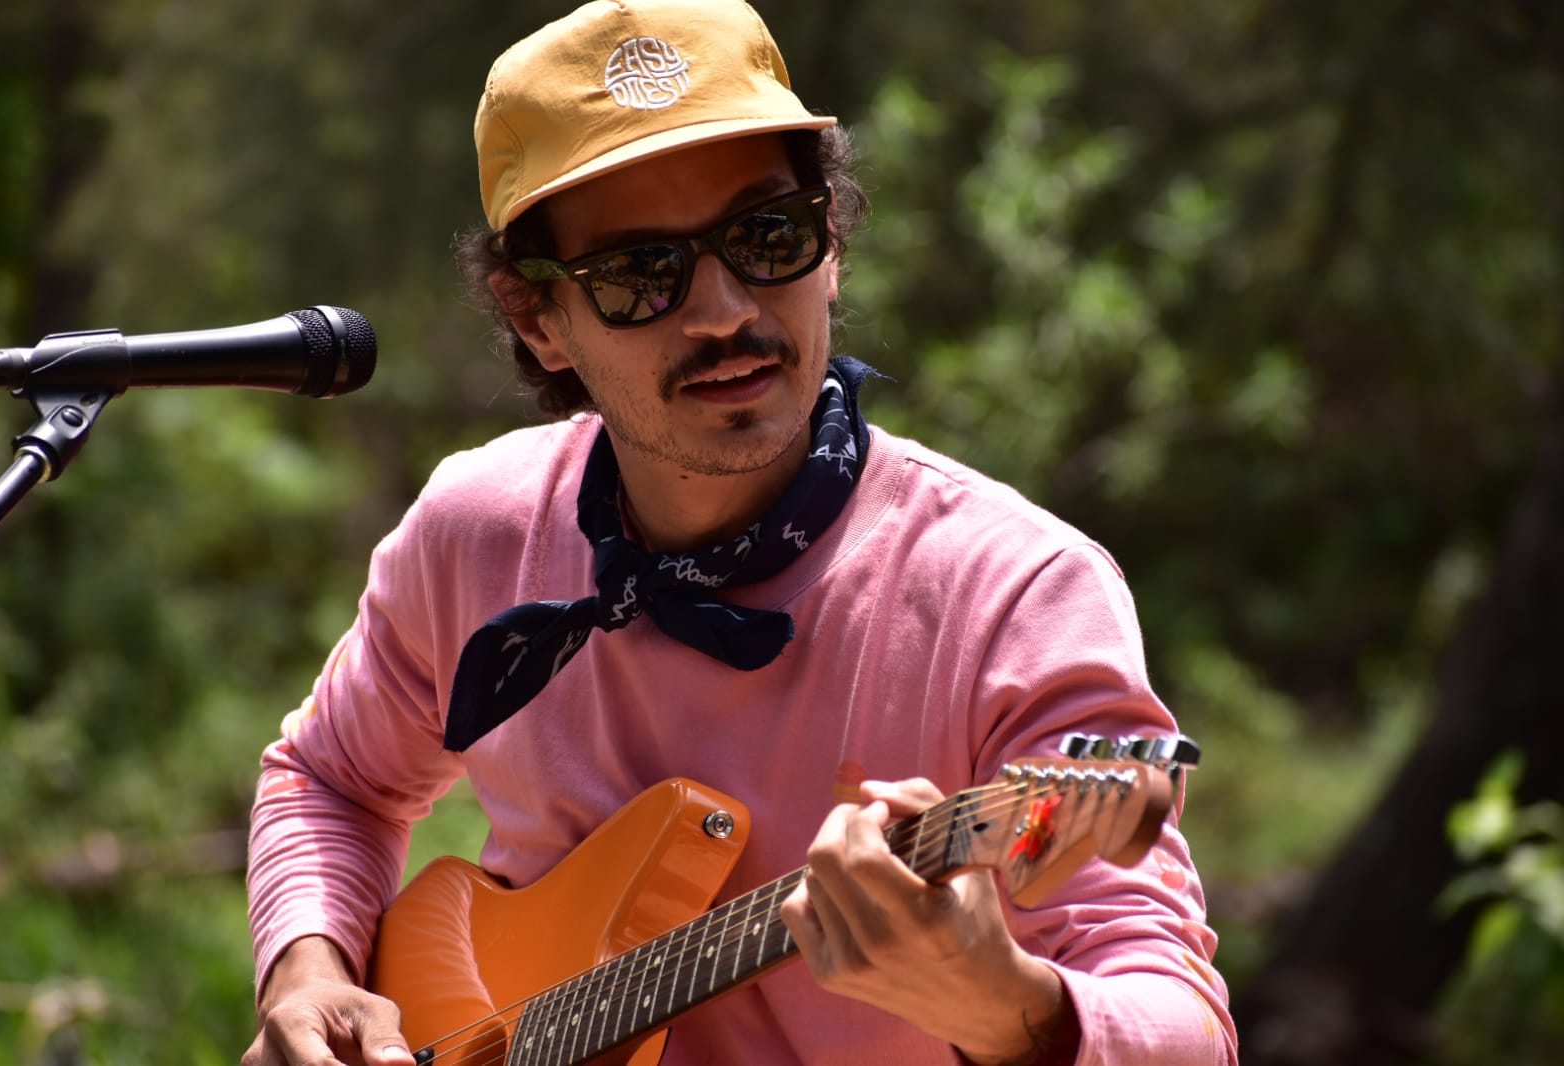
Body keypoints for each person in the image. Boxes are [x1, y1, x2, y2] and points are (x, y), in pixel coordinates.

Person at [243, 1, 1238, 1063]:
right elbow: (332, 778)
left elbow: (1183, 1027)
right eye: (639, 272)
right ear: (539, 319)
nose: (722, 309)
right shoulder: (476, 531)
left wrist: (1009, 1008)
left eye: (768, 237)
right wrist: (308, 965)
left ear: (834, 245)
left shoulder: (1016, 592)